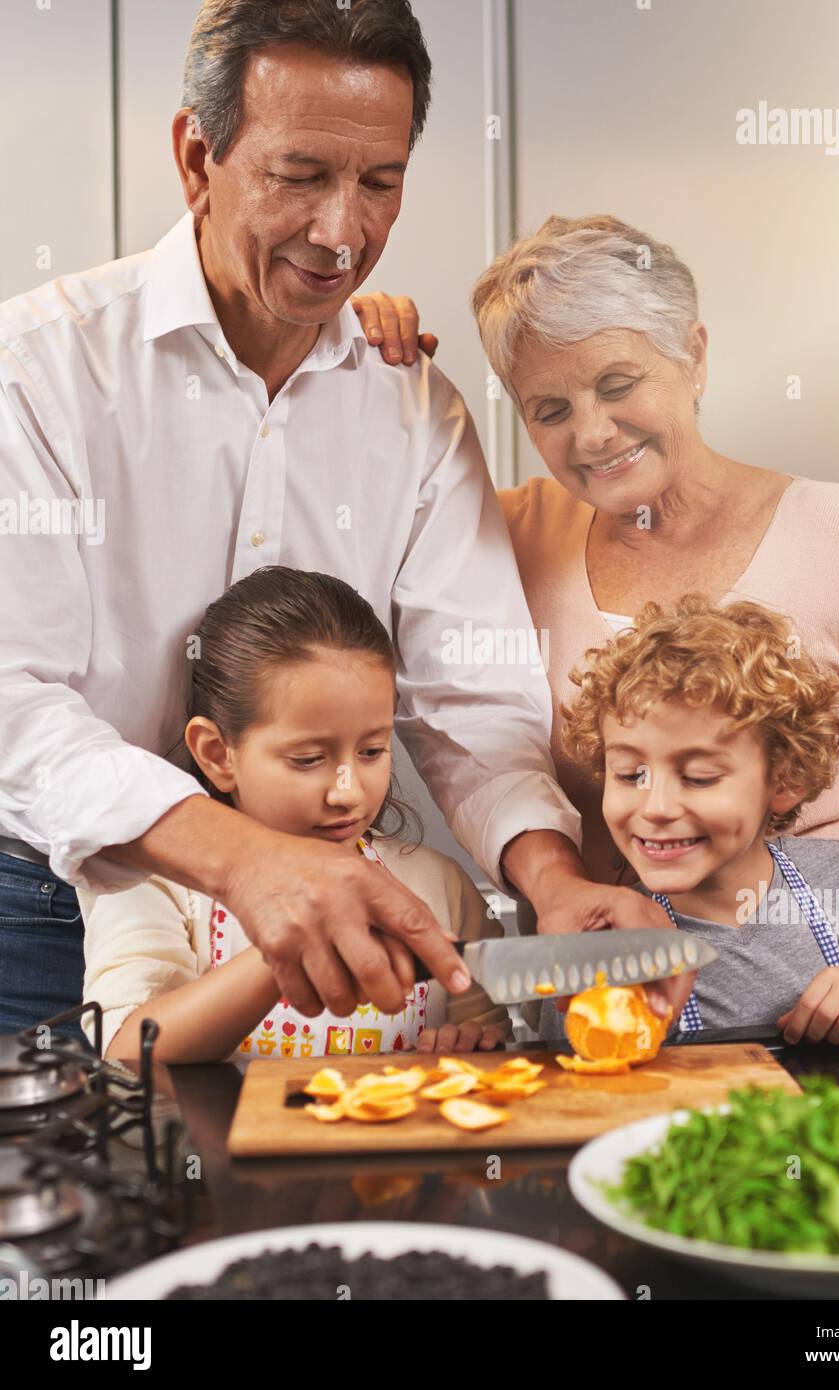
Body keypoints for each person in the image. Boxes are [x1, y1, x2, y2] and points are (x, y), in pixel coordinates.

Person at [0, 4, 679, 1042]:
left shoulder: (411, 403)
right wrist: (246, 859)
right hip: (40, 911)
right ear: (198, 156)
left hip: (338, 910)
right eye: (301, 174)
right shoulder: (39, 370)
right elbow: (15, 695)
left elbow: (475, 695)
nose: (341, 233)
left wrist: (552, 879)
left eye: (379, 182)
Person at [458, 212, 839, 1026]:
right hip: (613, 1018)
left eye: (617, 384)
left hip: (836, 1010)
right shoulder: (505, 541)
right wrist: (358, 351)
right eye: (550, 409)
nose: (592, 435)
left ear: (694, 357)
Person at [79, 568, 511, 1063]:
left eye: (371, 751)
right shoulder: (149, 879)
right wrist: (287, 944)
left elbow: (488, 1032)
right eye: (308, 759)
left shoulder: (440, 886)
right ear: (218, 754)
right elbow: (127, 1049)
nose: (346, 794)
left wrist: (467, 1042)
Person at [553, 595, 839, 1051]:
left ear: (783, 779)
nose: (657, 807)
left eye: (699, 777)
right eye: (631, 775)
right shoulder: (608, 943)